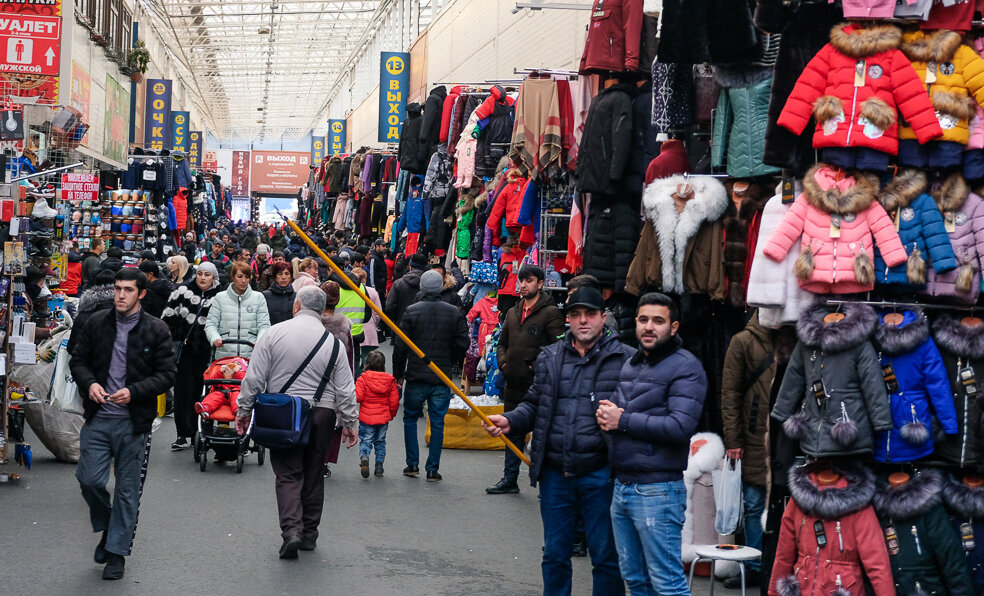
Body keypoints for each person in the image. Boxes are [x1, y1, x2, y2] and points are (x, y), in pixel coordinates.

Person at [483, 286, 633, 596]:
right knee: (554, 555)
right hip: (555, 472)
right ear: (567, 320)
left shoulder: (625, 360)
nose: (583, 321)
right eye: (576, 315)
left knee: (606, 557)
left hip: (601, 473)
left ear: (603, 318)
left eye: (590, 314)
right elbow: (535, 402)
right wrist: (511, 419)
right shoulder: (550, 356)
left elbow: (635, 411)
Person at [596, 292, 707, 596]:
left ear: (673, 327)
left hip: (658, 490)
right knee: (635, 580)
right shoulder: (633, 363)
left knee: (667, 584)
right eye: (643, 319)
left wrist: (622, 420)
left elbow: (680, 426)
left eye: (658, 321)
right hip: (623, 486)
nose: (648, 327)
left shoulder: (687, 367)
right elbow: (619, 414)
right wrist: (607, 418)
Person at [235, 286, 358, 559]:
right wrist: (350, 422)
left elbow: (254, 378)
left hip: (285, 413)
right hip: (322, 413)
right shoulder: (334, 343)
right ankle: (309, 534)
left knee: (288, 473)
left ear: (297, 304)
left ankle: (292, 531)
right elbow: (346, 389)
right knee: (314, 472)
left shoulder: (274, 334)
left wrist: (244, 411)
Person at [70, 268, 177, 580]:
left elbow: (167, 375)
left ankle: (116, 553)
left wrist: (134, 391)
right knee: (88, 479)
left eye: (128, 290)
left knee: (128, 491)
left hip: (134, 423)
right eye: (118, 288)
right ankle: (109, 527)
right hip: (99, 417)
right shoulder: (96, 323)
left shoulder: (156, 330)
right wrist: (89, 384)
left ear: (141, 294)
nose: (120, 295)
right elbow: (78, 360)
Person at [487, 265, 566, 495]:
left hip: (538, 384)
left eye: (528, 280)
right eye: (521, 281)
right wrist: (503, 364)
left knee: (542, 433)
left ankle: (547, 485)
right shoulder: (513, 312)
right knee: (512, 433)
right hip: (513, 382)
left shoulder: (550, 313)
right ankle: (509, 479)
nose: (522, 285)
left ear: (540, 284)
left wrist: (535, 366)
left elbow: (559, 347)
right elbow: (501, 342)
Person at [394, 270, 469, 482]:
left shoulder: (411, 311)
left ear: (423, 288)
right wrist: (451, 359)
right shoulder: (454, 312)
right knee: (437, 422)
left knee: (410, 418)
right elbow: (463, 343)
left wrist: (398, 373)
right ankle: (432, 469)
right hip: (441, 375)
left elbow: (401, 345)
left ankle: (412, 464)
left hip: (416, 374)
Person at [162, 262, 223, 450]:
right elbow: (167, 320)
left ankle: (203, 431)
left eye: (207, 275)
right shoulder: (182, 292)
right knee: (183, 393)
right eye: (200, 274)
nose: (203, 278)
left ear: (214, 278)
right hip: (185, 353)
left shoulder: (220, 297)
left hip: (210, 354)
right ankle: (183, 434)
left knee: (206, 394)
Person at [205, 261, 270, 359]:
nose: (243, 280)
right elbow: (211, 324)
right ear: (233, 277)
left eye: (247, 277)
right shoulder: (220, 297)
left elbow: (264, 325)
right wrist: (215, 338)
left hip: (250, 355)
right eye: (240, 276)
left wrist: (259, 341)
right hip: (224, 355)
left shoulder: (258, 298)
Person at [355, 350, 400, 479]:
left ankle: (364, 457)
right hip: (383, 418)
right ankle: (379, 466)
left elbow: (358, 397)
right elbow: (394, 401)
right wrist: (391, 414)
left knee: (366, 440)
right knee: (380, 442)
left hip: (366, 418)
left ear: (367, 364)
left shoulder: (363, 379)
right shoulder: (390, 381)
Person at [351, 268, 382, 376]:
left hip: (353, 329)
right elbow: (379, 313)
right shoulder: (372, 292)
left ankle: (357, 382)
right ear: (364, 279)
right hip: (369, 329)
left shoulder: (348, 291)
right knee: (367, 360)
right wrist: (374, 323)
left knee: (353, 360)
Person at [384, 253, 428, 326]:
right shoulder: (428, 284)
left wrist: (396, 318)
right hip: (422, 326)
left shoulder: (399, 283)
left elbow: (390, 306)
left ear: (410, 266)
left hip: (401, 324)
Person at [263, 261, 296, 325]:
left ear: (291, 277)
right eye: (280, 274)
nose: (283, 277)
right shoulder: (265, 296)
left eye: (287, 274)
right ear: (275, 277)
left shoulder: (296, 297)